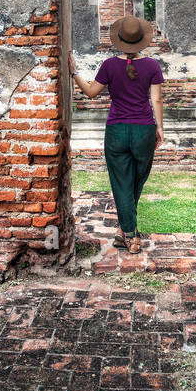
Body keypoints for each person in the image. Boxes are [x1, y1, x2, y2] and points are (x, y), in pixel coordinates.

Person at [69, 14, 164, 254]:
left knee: (123, 183)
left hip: (117, 131)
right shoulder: (152, 65)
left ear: (119, 40)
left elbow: (90, 92)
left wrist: (74, 73)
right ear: (141, 40)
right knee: (135, 182)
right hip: (144, 129)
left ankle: (126, 233)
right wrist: (160, 128)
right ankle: (131, 235)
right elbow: (156, 99)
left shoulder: (109, 65)